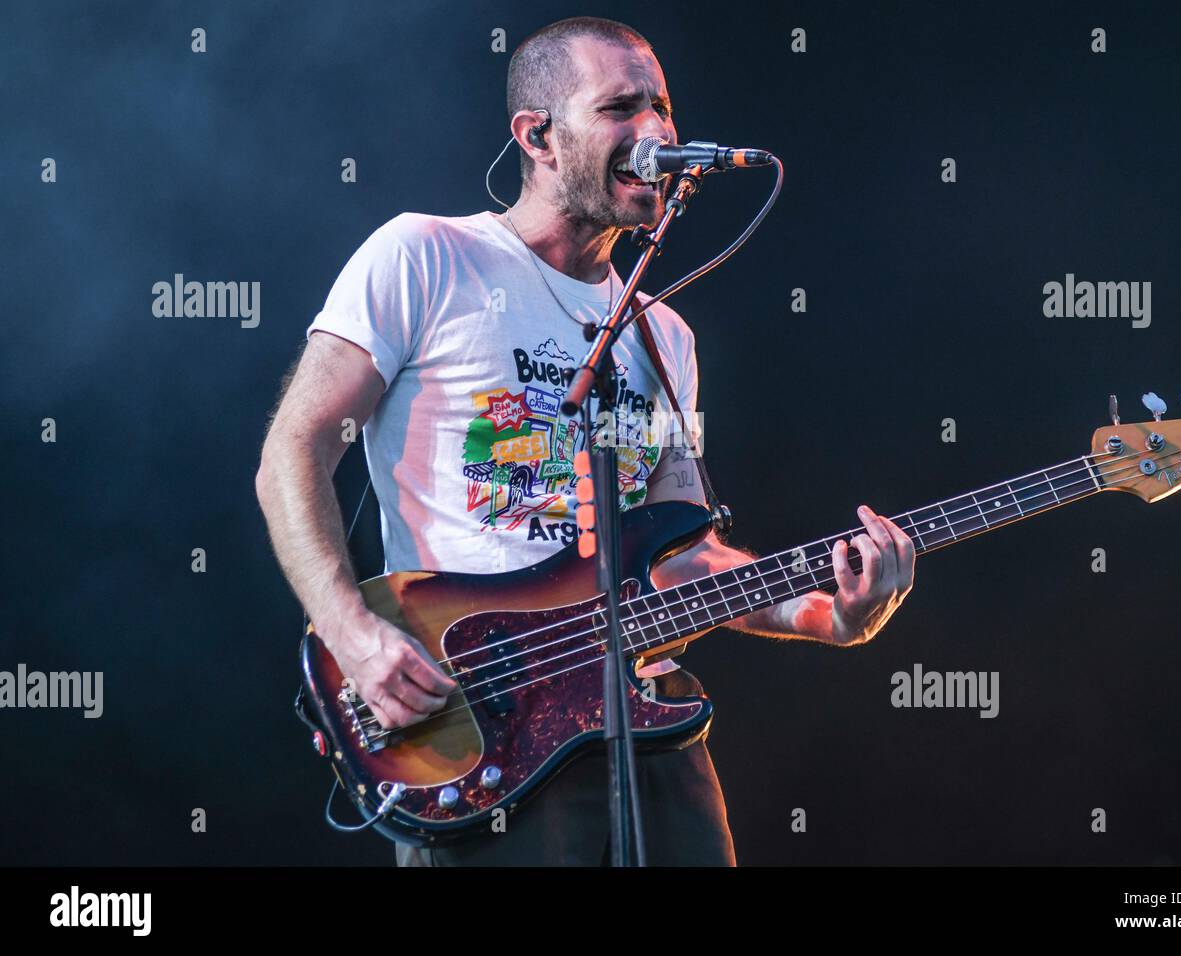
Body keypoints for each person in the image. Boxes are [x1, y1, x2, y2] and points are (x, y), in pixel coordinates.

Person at [255, 16, 915, 867]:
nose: (660, 132)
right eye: (621, 107)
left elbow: (682, 555)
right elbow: (292, 454)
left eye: (664, 107)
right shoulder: (425, 256)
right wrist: (351, 634)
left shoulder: (663, 336)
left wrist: (823, 614)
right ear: (537, 135)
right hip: (477, 721)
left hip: (647, 722)